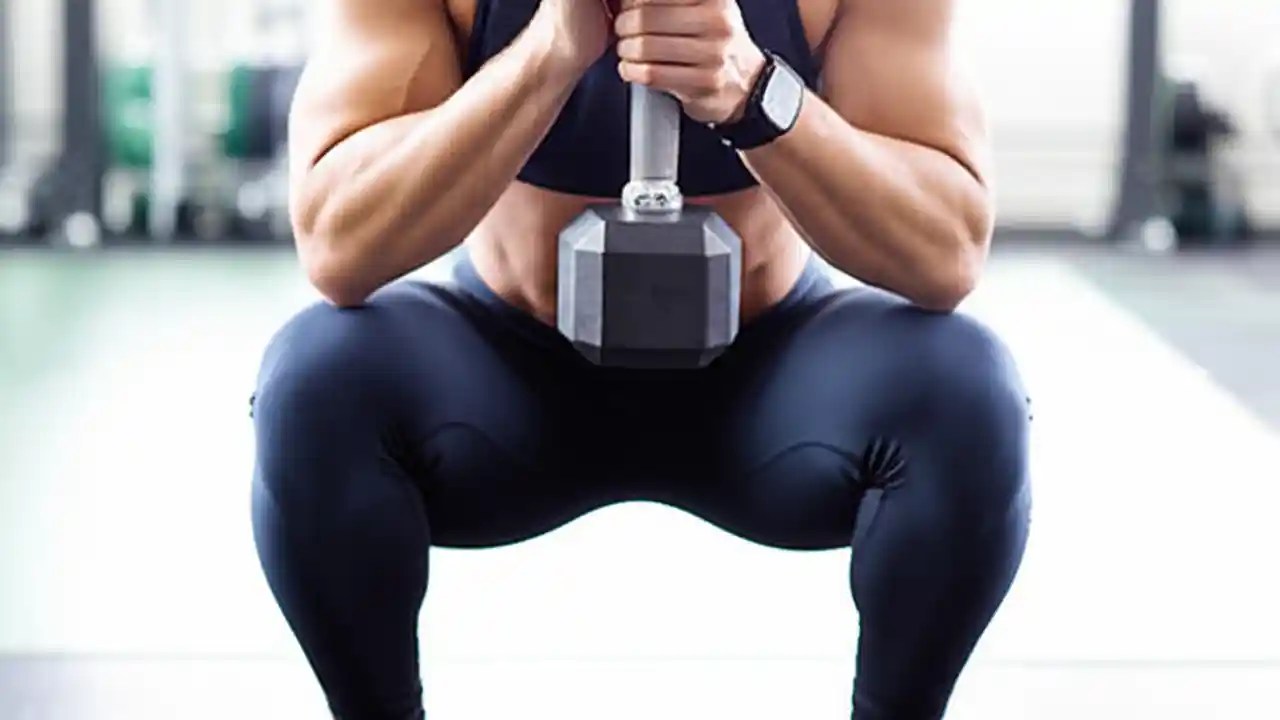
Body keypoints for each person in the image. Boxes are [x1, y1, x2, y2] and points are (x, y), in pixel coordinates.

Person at [248, 0, 1033, 717]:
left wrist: (754, 92)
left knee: (964, 390)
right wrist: (549, 54)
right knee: (319, 377)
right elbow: (338, 243)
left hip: (766, 381)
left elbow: (947, 249)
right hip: (508, 377)